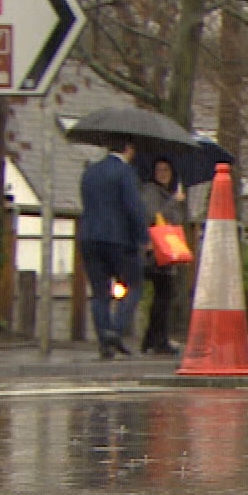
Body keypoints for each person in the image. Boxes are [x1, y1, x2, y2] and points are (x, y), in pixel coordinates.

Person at [79, 138, 151, 360]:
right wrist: (144, 237)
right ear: (128, 149)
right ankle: (115, 330)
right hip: (119, 239)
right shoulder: (125, 173)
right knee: (133, 286)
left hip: (89, 237)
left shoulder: (90, 172)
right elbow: (133, 208)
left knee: (100, 292)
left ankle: (104, 341)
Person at [137, 157, 188, 355]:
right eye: (159, 170)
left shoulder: (170, 193)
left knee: (165, 296)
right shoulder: (151, 191)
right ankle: (157, 339)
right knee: (163, 294)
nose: (163, 174)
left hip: (168, 249)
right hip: (154, 250)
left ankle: (153, 338)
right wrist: (174, 201)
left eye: (166, 170)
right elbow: (154, 216)